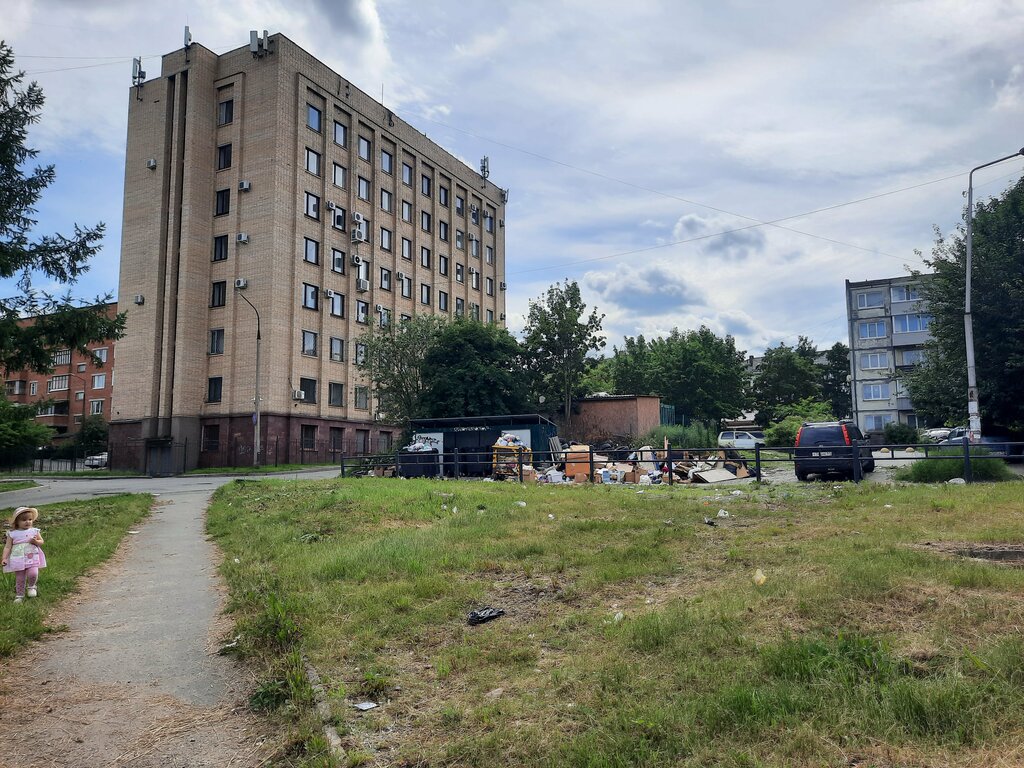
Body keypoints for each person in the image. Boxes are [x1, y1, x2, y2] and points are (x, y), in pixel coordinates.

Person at [2, 506, 46, 603]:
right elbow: (8, 547)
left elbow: (41, 541)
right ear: (16, 522)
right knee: (20, 578)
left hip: (32, 556)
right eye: (24, 520)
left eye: (30, 519)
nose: (28, 522)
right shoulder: (12, 533)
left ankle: (31, 586)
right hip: (18, 558)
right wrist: (4, 558)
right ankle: (19, 595)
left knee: (33, 573)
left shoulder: (34, 531)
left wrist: (35, 541)